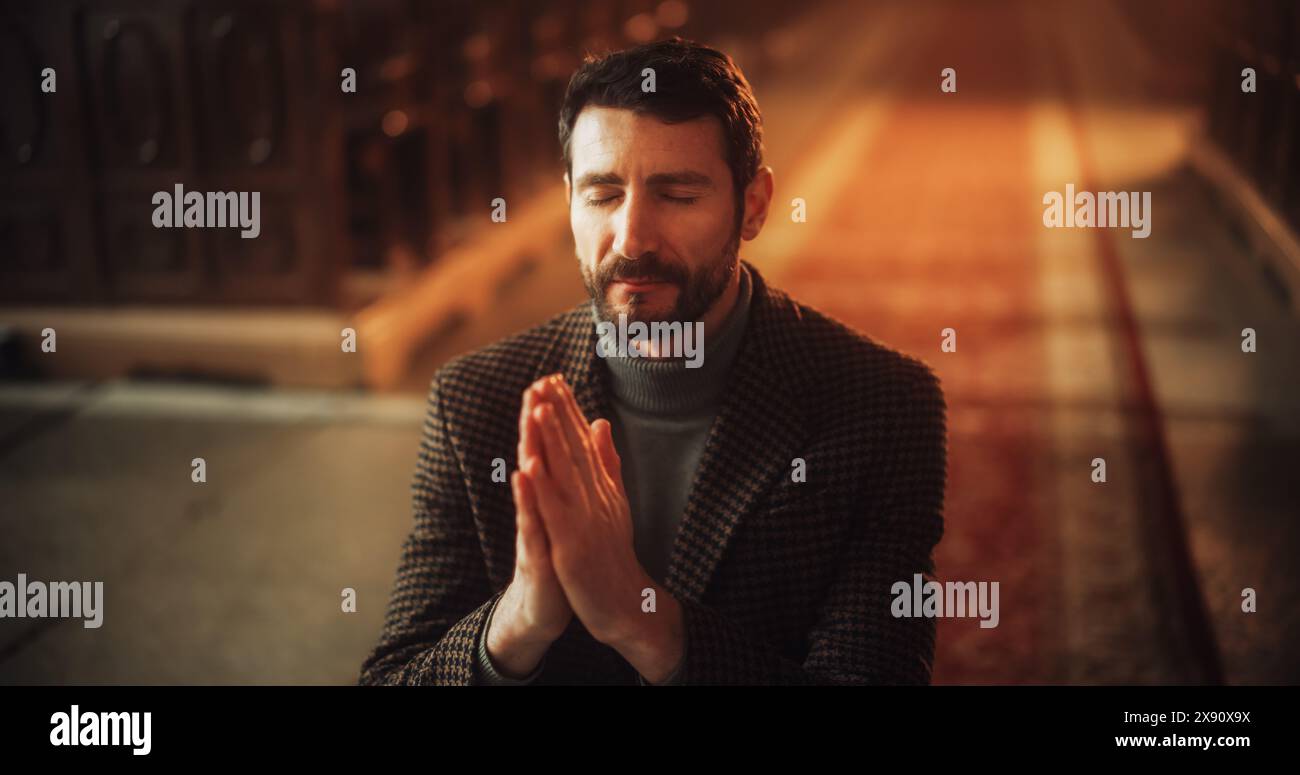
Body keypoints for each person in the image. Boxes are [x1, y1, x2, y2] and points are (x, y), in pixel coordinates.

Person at [359, 37, 946, 685]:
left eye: (677, 194)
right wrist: (519, 620)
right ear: (570, 199)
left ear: (753, 205)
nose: (632, 237)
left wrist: (642, 622)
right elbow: (393, 676)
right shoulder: (475, 398)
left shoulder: (886, 405)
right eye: (603, 194)